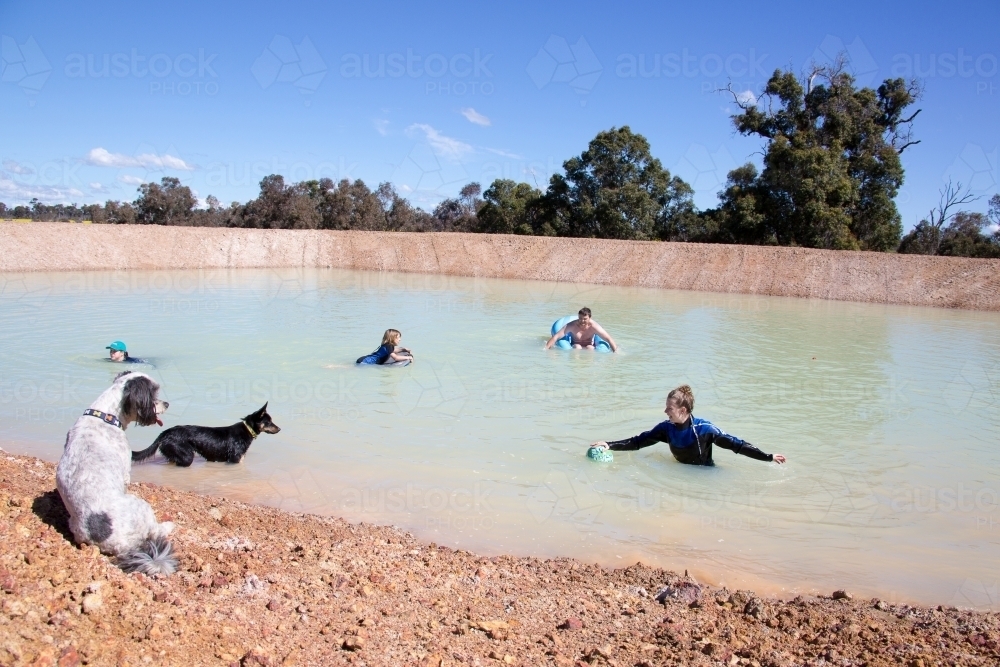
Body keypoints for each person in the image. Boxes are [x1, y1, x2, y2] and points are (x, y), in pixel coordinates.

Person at [590, 384, 786, 467]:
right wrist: (609, 444)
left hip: (705, 475)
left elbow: (738, 445)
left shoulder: (704, 429)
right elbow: (638, 442)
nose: (665, 412)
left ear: (683, 410)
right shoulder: (665, 429)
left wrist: (768, 457)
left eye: (669, 409)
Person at [545, 307, 619, 352]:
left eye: (585, 319)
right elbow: (556, 337)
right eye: (580, 318)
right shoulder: (571, 325)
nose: (582, 321)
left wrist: (616, 352)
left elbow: (609, 339)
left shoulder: (594, 326)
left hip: (589, 346)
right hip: (575, 346)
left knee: (590, 348)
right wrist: (546, 349)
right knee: (578, 347)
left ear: (590, 318)